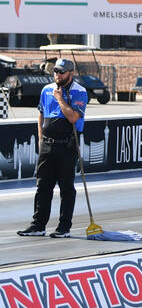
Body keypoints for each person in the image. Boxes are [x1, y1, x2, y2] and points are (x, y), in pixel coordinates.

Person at [18, 59, 89, 238]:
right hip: (47, 145)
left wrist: (60, 98)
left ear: (70, 74)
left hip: (66, 145)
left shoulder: (79, 92)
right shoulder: (46, 89)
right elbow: (41, 114)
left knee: (66, 187)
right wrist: (41, 139)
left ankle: (64, 227)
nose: (57, 75)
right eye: (56, 71)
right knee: (43, 186)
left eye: (61, 72)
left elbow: (73, 117)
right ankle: (38, 225)